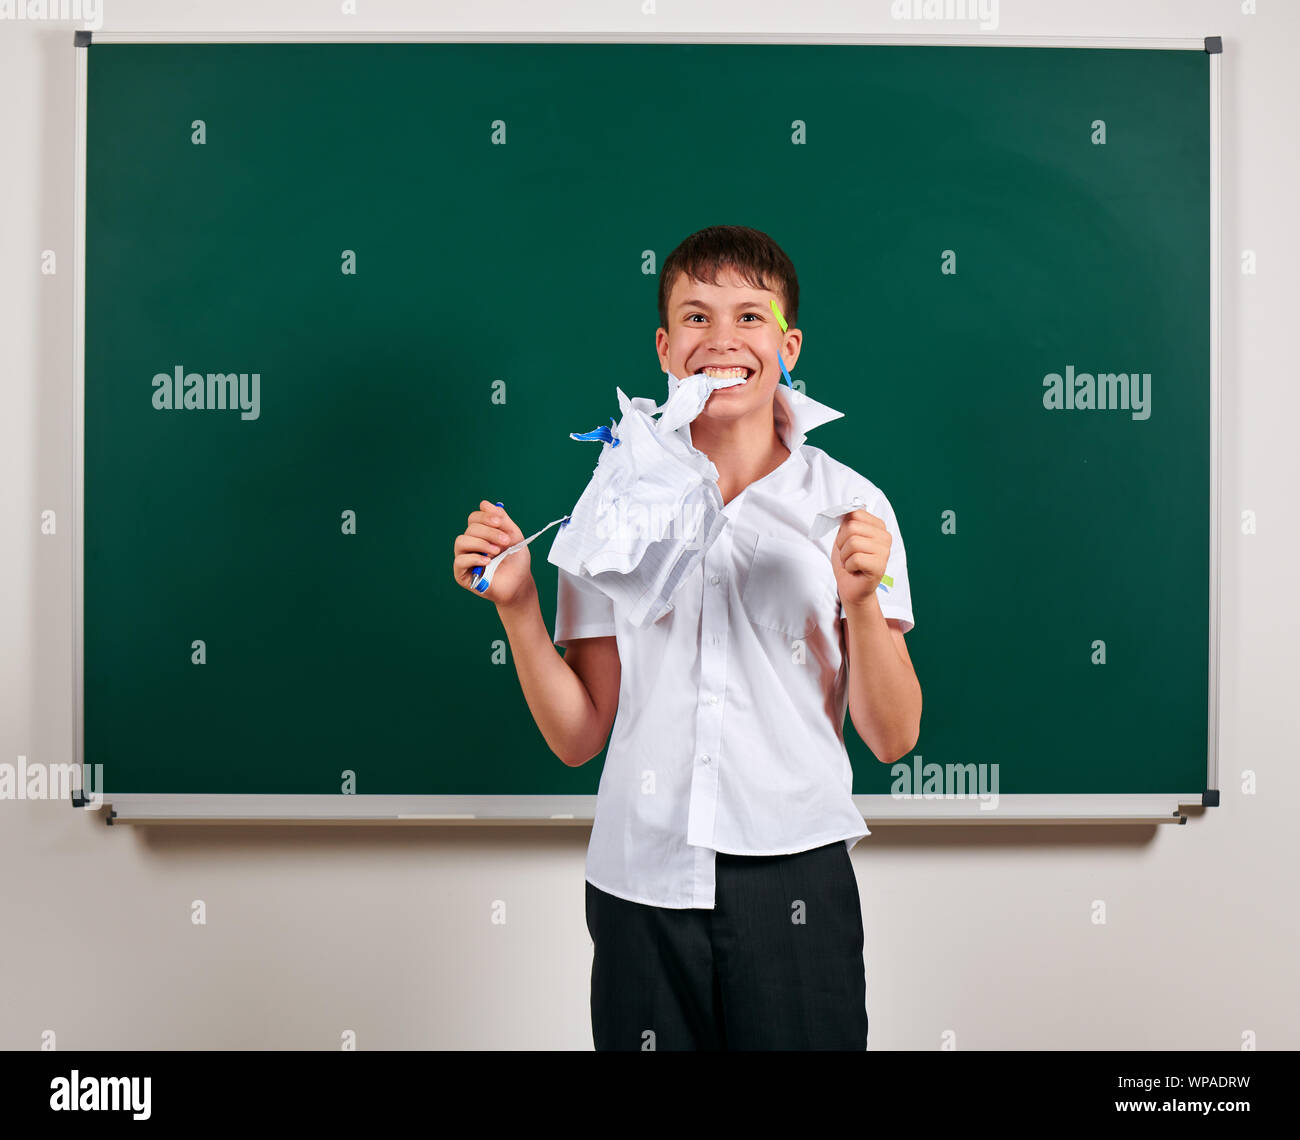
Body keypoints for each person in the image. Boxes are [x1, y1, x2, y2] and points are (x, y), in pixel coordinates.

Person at [453, 225, 921, 1050]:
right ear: (666, 347)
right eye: (697, 318)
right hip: (641, 881)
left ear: (788, 343)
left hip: (794, 877)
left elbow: (893, 737)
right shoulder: (613, 498)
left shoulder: (853, 507)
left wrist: (857, 603)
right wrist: (519, 610)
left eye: (751, 316)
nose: (724, 340)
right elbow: (578, 735)